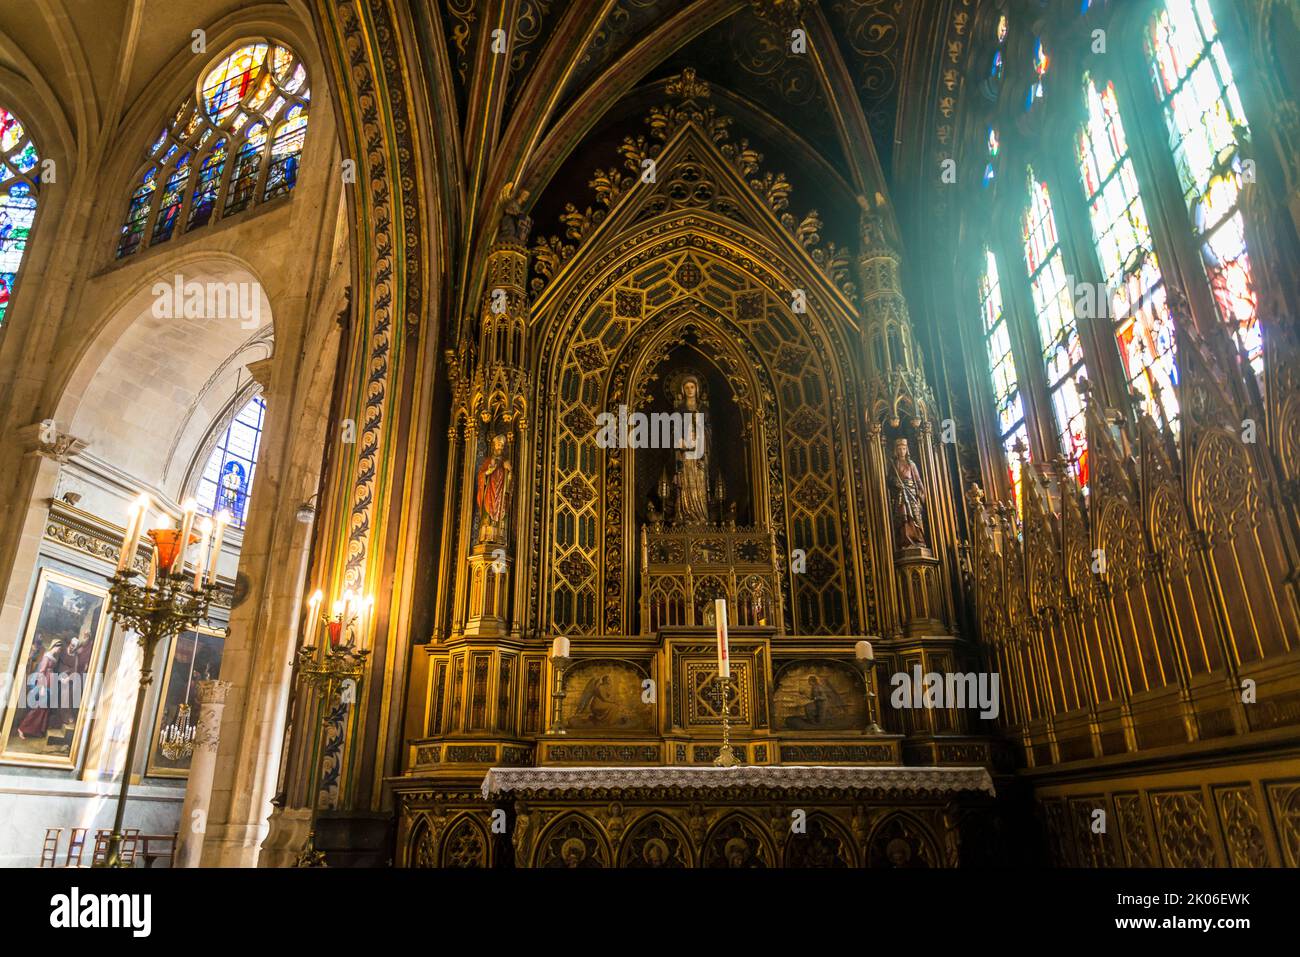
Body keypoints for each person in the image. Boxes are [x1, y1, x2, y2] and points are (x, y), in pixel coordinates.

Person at [672, 375, 710, 524]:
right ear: (683, 389)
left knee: (699, 482)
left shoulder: (704, 409)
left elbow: (708, 430)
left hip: (699, 453)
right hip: (685, 453)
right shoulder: (679, 409)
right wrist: (680, 440)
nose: (689, 390)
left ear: (697, 389)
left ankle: (701, 515)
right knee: (686, 482)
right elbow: (674, 430)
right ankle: (685, 515)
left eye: (692, 387)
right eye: (686, 387)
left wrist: (700, 437)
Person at [886, 436, 928, 550]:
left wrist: (922, 492)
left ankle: (918, 540)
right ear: (896, 450)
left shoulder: (911, 464)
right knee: (903, 516)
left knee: (914, 516)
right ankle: (905, 541)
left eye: (904, 448)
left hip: (911, 493)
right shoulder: (894, 465)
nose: (901, 451)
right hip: (900, 494)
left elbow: (918, 480)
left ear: (907, 449)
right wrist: (895, 482)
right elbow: (889, 480)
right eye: (899, 448)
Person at [475, 432, 512, 542]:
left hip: (500, 492)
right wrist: (488, 472)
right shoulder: (488, 461)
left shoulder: (505, 462)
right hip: (489, 492)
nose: (499, 447)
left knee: (501, 513)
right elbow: (481, 475)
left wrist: (509, 471)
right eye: (498, 444)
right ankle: (486, 538)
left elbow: (510, 481)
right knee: (488, 513)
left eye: (501, 445)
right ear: (494, 446)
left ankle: (498, 538)